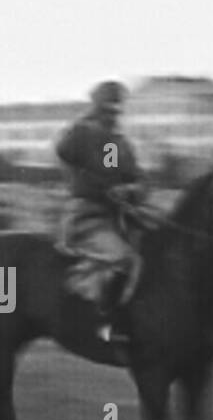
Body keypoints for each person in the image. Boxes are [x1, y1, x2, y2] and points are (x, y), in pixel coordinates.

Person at [55, 80, 147, 344]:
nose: (114, 115)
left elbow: (141, 181)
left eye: (116, 109)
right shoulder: (81, 136)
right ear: (97, 108)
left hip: (120, 218)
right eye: (108, 108)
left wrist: (130, 190)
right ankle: (108, 324)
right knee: (124, 259)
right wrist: (85, 124)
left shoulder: (119, 144)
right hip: (88, 218)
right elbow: (64, 151)